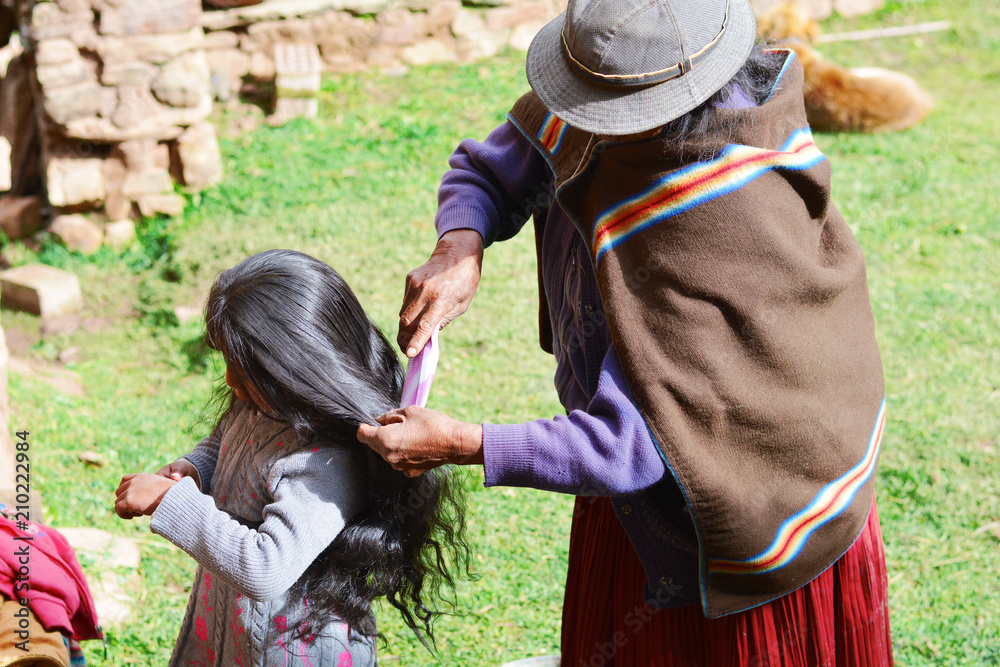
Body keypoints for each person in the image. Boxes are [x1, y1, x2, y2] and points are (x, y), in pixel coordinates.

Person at [357, 0, 894, 664]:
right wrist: (458, 247)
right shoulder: (609, 92)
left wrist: (466, 444)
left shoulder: (721, 210)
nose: (581, 123)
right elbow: (495, 168)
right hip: (641, 502)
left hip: (748, 493)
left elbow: (637, 441)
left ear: (669, 103)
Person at [114, 249, 469, 666]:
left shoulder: (331, 459)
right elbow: (224, 441)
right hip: (229, 627)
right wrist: (195, 469)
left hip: (290, 647)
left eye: (241, 369)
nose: (230, 380)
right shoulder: (260, 403)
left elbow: (266, 567)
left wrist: (168, 502)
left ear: (296, 367)